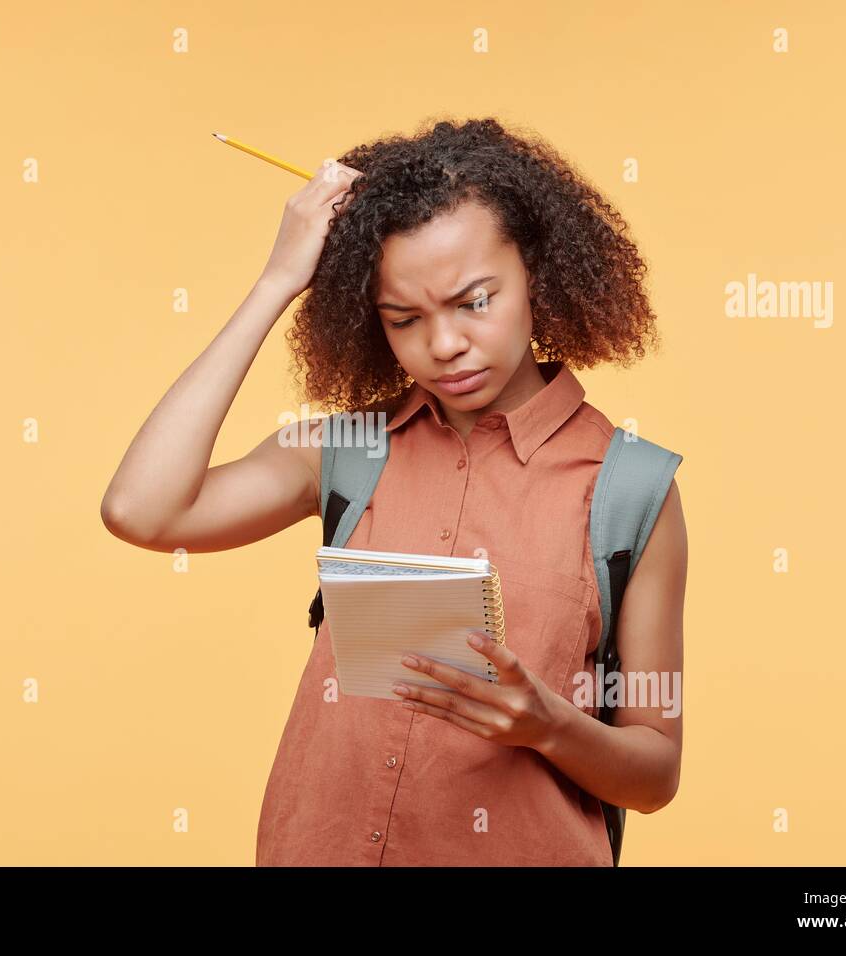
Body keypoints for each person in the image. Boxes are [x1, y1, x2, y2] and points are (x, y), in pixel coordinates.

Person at [101, 117, 688, 866]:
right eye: (404, 319)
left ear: (536, 273)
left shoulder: (633, 489)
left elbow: (655, 772)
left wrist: (546, 723)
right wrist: (278, 281)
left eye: (475, 301)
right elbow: (141, 511)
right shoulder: (347, 451)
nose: (443, 345)